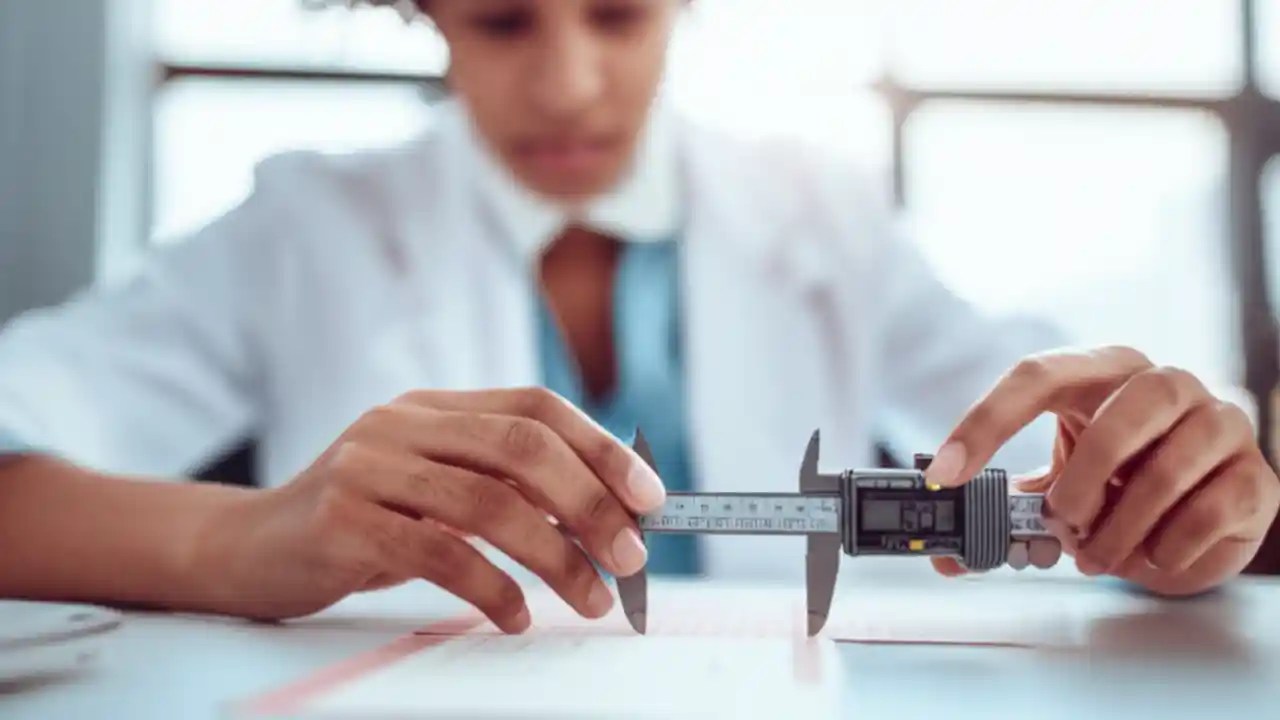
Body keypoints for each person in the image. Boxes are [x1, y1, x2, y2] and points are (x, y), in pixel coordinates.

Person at [0, 0, 1275, 634]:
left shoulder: (822, 215)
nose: (567, 83)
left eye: (615, 10)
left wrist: (1176, 492)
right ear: (426, 12)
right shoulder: (300, 227)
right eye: (503, 19)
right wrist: (242, 543)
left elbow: (1072, 458)